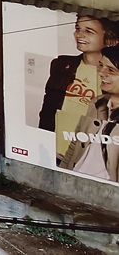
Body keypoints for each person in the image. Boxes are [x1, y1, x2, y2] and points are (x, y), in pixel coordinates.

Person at [39, 16, 118, 160]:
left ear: (110, 40)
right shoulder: (62, 65)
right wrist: (42, 143)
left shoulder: (112, 78)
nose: (79, 34)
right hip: (57, 150)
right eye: (77, 29)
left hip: (91, 156)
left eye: (89, 31)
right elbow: (47, 110)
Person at [60, 46, 119, 180]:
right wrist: (61, 175)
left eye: (110, 70)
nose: (101, 73)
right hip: (75, 178)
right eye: (101, 66)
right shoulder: (97, 103)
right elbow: (75, 144)